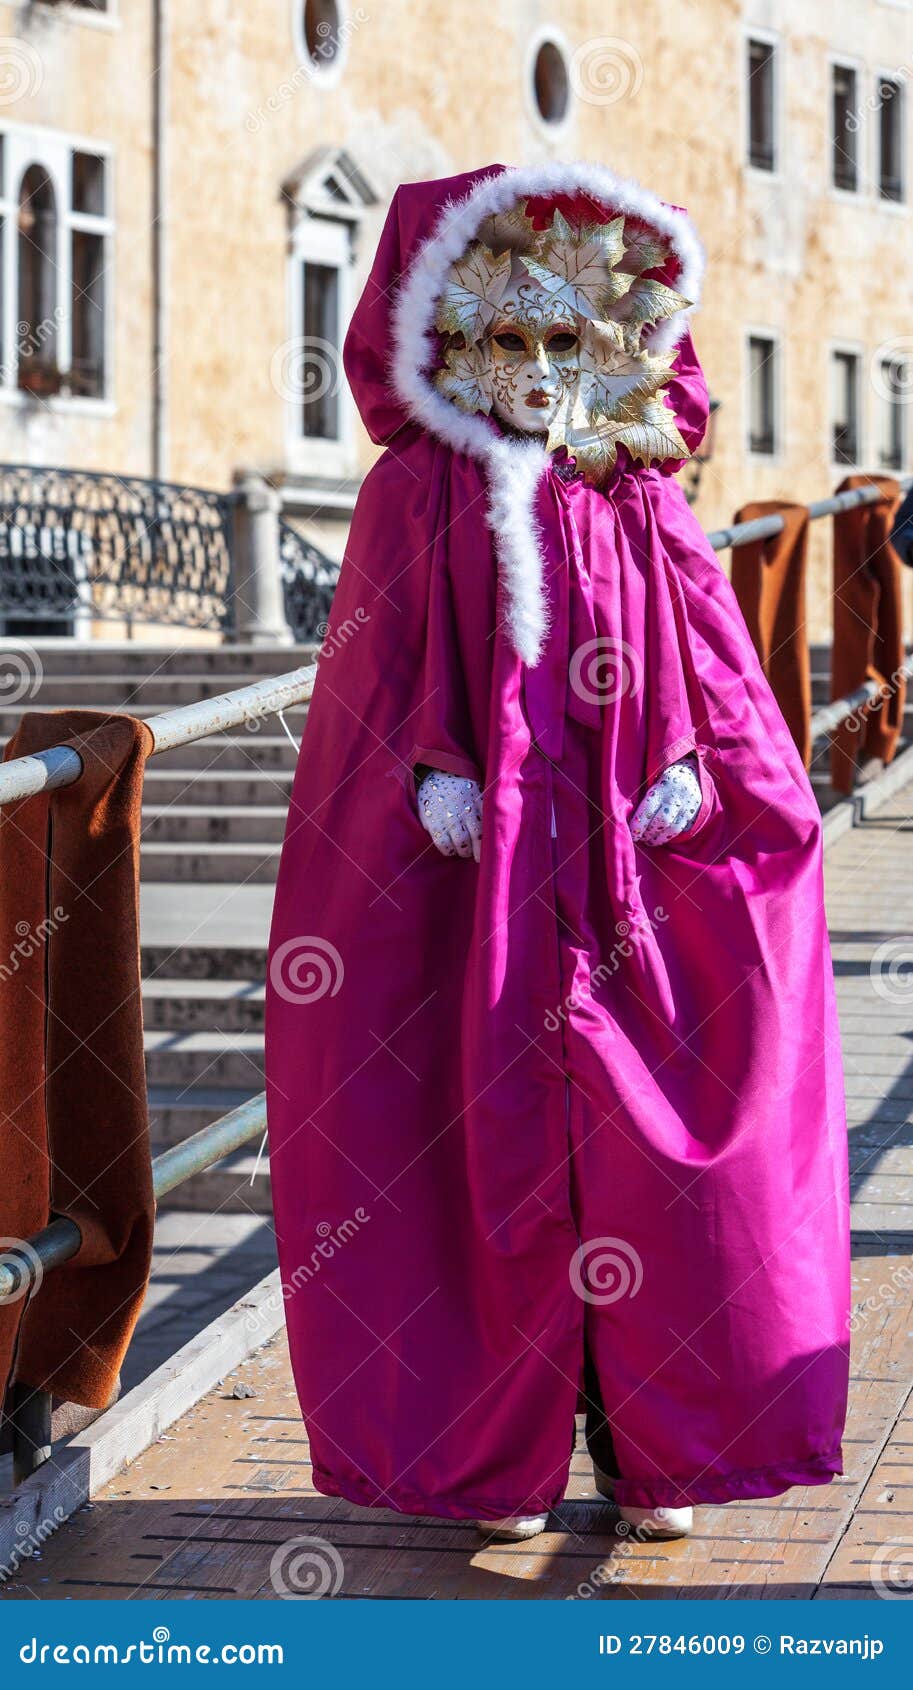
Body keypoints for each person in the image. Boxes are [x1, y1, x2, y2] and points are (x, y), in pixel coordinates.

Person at [265, 162, 851, 1545]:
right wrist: (428, 764)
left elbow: (707, 654)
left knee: (651, 1146)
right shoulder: (416, 493)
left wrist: (687, 759)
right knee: (481, 1142)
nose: (538, 367)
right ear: (455, 337)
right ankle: (494, 1457)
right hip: (470, 884)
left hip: (633, 868)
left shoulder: (630, 490)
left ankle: (658, 1452)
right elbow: (378, 670)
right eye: (509, 337)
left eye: (563, 337)